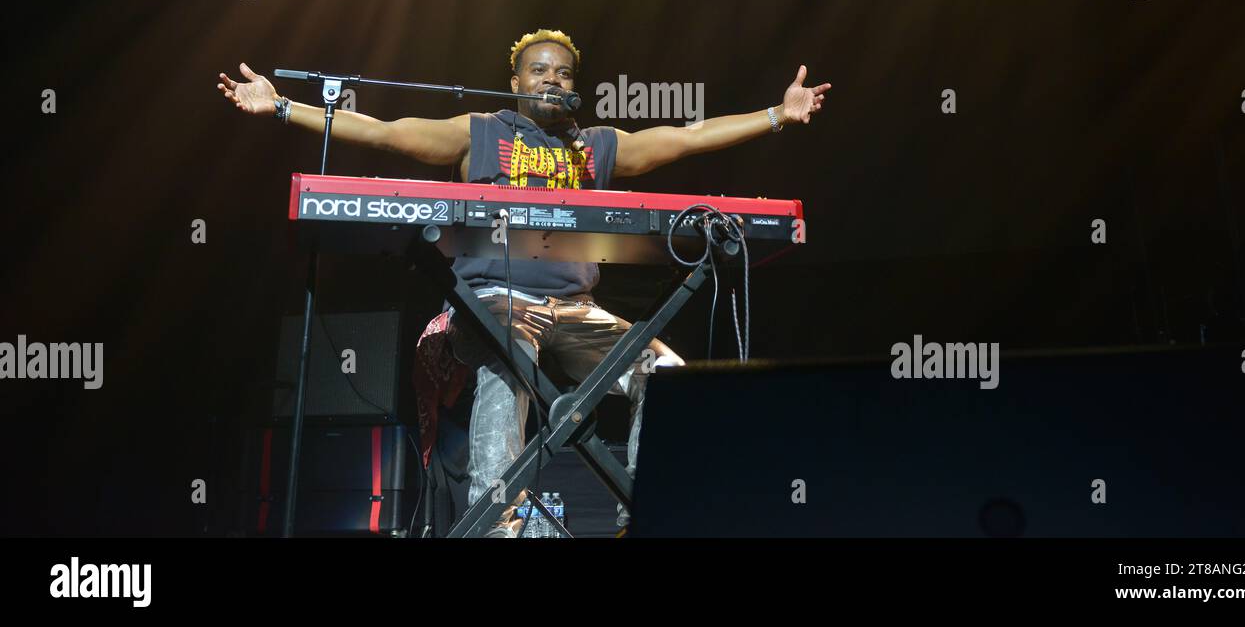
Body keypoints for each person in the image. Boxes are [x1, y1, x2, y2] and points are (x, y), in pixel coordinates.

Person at [218, 28, 830, 536]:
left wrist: (778, 114)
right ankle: (498, 524)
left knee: (666, 378)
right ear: (515, 82)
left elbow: (687, 137)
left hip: (576, 311)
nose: (552, 82)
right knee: (507, 358)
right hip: (493, 306)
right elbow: (385, 131)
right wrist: (280, 105)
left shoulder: (597, 147)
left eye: (563, 74)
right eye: (539, 72)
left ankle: (639, 520)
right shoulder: (479, 132)